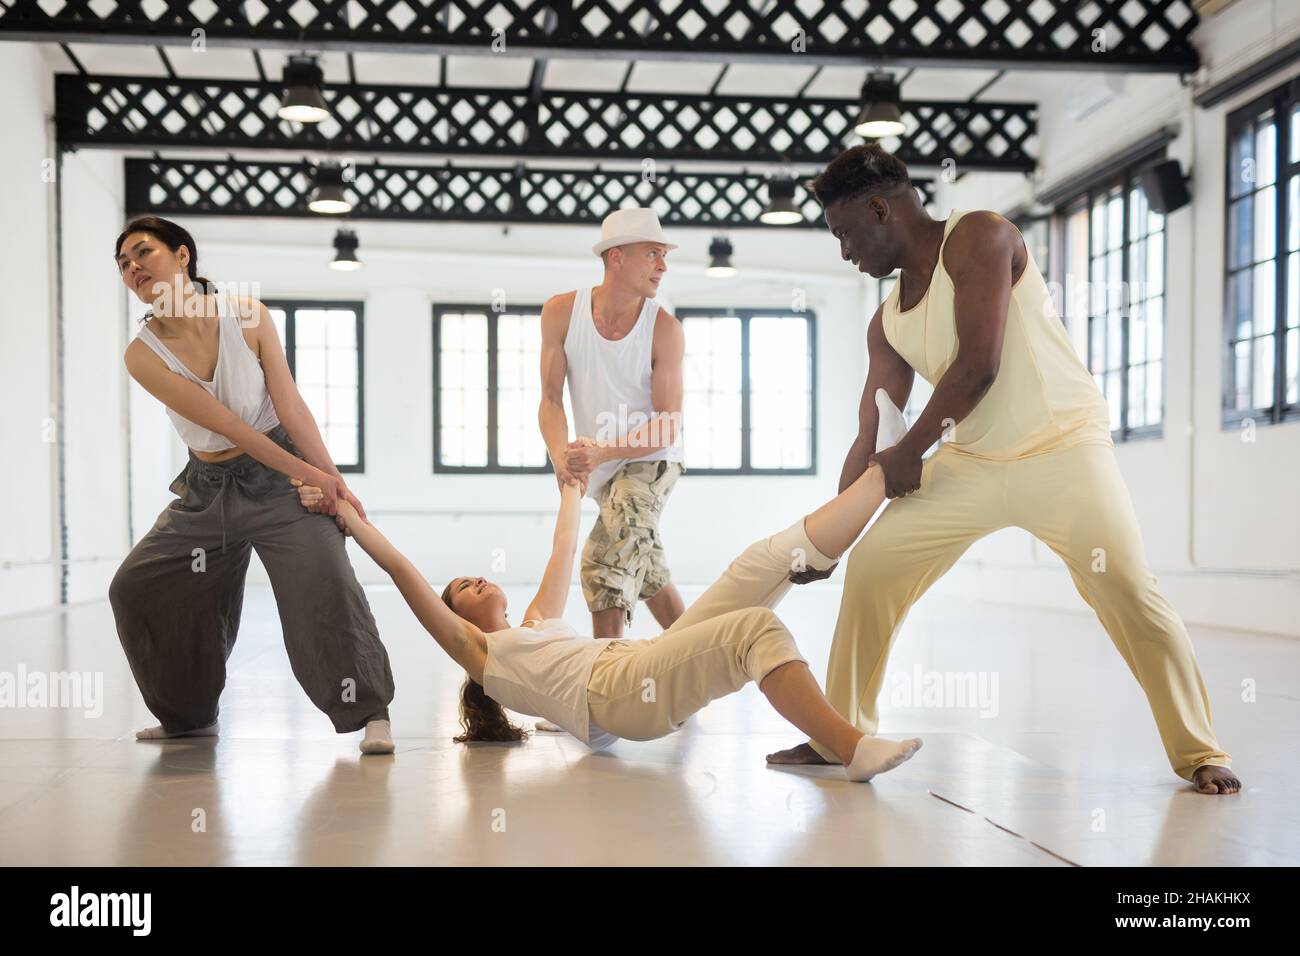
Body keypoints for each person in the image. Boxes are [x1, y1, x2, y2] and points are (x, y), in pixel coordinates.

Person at [768, 144, 1240, 795]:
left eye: (845, 234)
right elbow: (871, 431)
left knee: (1128, 588)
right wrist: (825, 540)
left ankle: (1201, 751)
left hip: (1064, 449)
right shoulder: (888, 322)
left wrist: (910, 454)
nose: (845, 253)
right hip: (973, 464)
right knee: (875, 566)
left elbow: (977, 366)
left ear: (880, 210)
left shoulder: (980, 236)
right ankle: (839, 734)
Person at [292, 393, 922, 782]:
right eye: (459, 587)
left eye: (470, 576)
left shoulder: (537, 622)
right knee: (754, 630)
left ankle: (885, 470)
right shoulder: (483, 658)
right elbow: (404, 573)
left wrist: (572, 479)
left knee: (762, 561)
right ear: (460, 617)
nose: (472, 579)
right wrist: (346, 516)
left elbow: (565, 544)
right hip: (618, 693)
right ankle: (849, 747)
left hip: (635, 665)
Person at [109, 216, 395, 755]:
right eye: (124, 265)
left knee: (326, 578)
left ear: (182, 255)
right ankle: (188, 715)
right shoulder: (141, 354)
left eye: (143, 252)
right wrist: (317, 477)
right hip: (207, 489)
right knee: (136, 587)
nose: (134, 268)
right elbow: (228, 426)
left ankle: (370, 711)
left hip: (278, 479)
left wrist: (331, 480)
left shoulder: (247, 315)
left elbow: (289, 406)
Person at [539, 207, 686, 643]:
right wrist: (559, 456)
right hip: (601, 471)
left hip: (651, 462)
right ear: (616, 258)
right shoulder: (561, 313)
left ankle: (608, 696)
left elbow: (667, 425)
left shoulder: (665, 329)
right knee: (649, 574)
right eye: (653, 253)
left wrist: (600, 451)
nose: (663, 266)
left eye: (664, 255)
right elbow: (549, 400)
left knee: (604, 564)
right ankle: (700, 663)